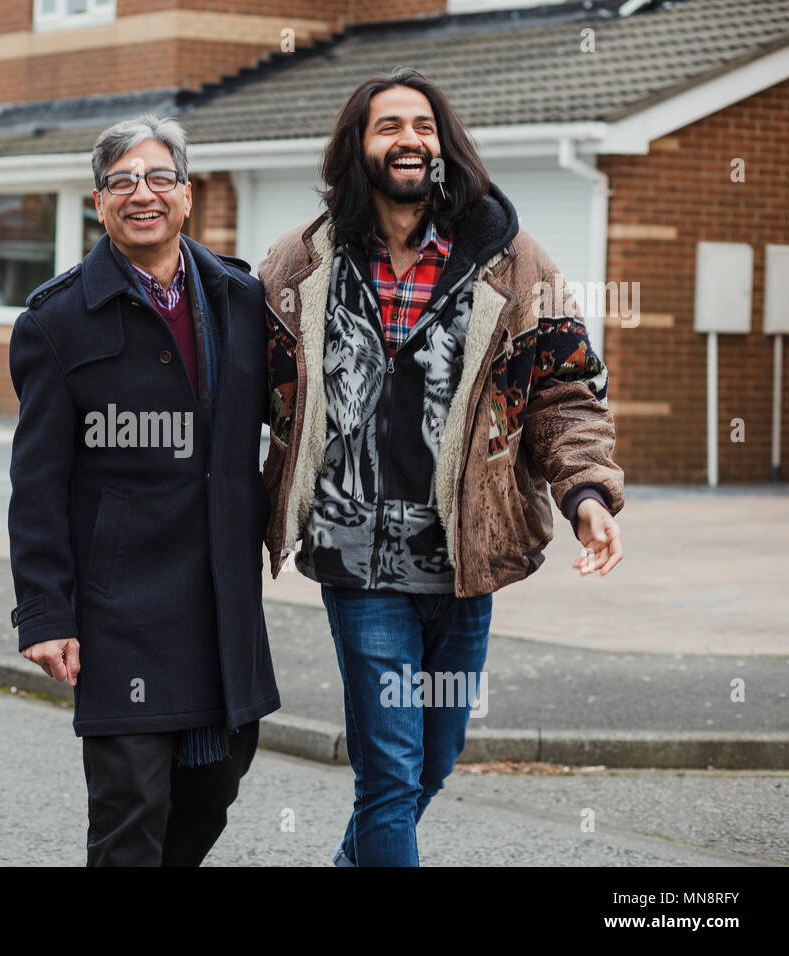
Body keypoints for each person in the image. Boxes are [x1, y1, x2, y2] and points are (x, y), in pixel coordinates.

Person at [259, 68, 626, 866]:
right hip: (356, 563)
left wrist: (588, 493)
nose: (409, 140)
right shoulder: (298, 264)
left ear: (444, 143)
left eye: (422, 126)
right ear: (359, 146)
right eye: (388, 126)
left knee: (433, 760)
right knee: (388, 774)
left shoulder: (512, 261)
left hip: (466, 556)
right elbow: (245, 393)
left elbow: (567, 390)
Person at [7, 113, 280, 867]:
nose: (142, 193)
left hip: (223, 600)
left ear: (187, 195)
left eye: (160, 177)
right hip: (118, 607)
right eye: (121, 181)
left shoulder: (242, 299)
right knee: (132, 814)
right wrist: (43, 613)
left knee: (212, 793)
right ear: (99, 203)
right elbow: (37, 483)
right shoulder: (56, 322)